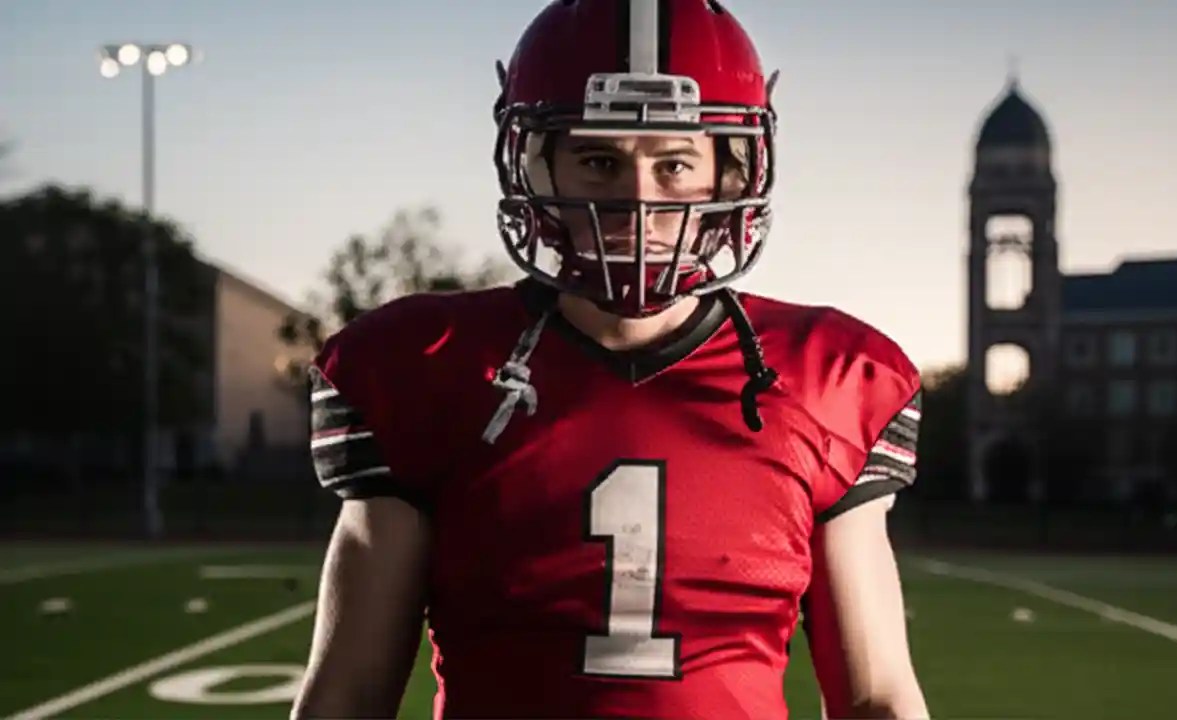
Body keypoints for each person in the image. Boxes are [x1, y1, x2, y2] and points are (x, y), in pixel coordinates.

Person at [292, 0, 929, 718]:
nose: (636, 198)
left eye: (675, 162)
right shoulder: (427, 367)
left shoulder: (828, 380)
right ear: (536, 166)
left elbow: (875, 695)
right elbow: (347, 694)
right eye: (599, 161)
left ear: (731, 174)